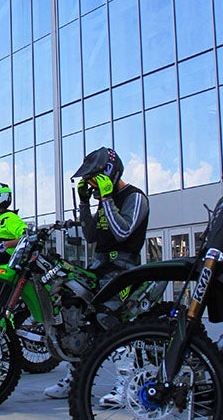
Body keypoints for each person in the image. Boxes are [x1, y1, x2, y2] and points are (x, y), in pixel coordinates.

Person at [43, 147, 149, 402]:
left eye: (93, 178)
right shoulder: (104, 200)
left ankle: (129, 385)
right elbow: (91, 236)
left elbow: (123, 233)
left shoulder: (135, 198)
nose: (90, 183)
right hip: (99, 264)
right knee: (75, 312)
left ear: (109, 173)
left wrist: (107, 198)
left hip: (125, 267)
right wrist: (84, 204)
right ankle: (77, 377)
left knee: (107, 315)